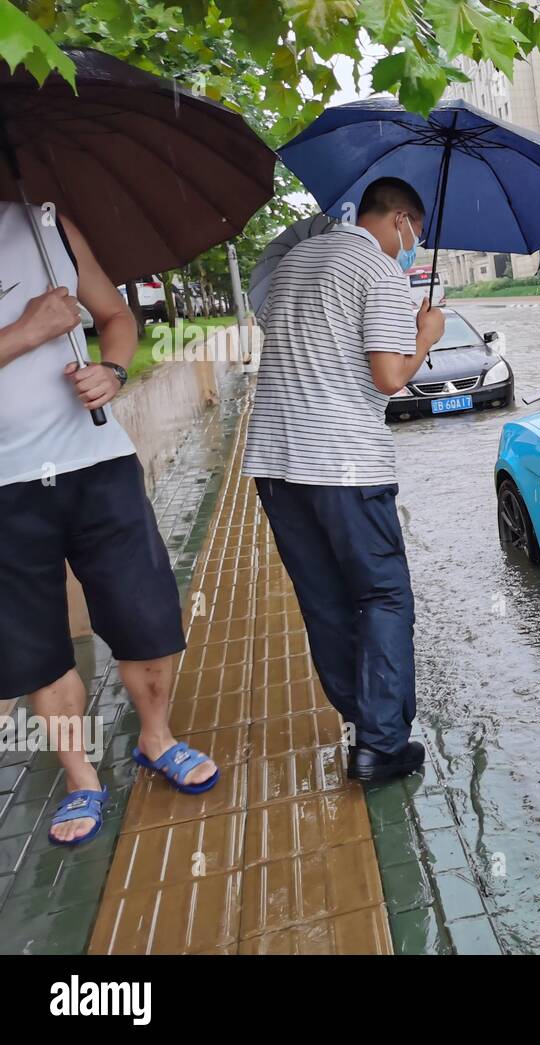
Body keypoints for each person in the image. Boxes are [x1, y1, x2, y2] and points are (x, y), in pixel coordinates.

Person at [0, 202, 218, 847]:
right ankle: (81, 779)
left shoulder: (52, 227)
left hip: (98, 465)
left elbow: (117, 317)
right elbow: (35, 331)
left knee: (146, 618)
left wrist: (113, 371)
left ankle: (157, 738)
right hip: (5, 488)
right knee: (37, 650)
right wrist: (28, 331)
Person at [242, 177, 444, 782]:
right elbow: (388, 378)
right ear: (401, 220)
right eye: (416, 234)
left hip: (276, 465)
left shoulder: (296, 259)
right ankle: (382, 745)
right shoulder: (379, 270)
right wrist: (424, 338)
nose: (412, 246)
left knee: (325, 598)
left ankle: (363, 723)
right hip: (345, 467)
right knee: (383, 595)